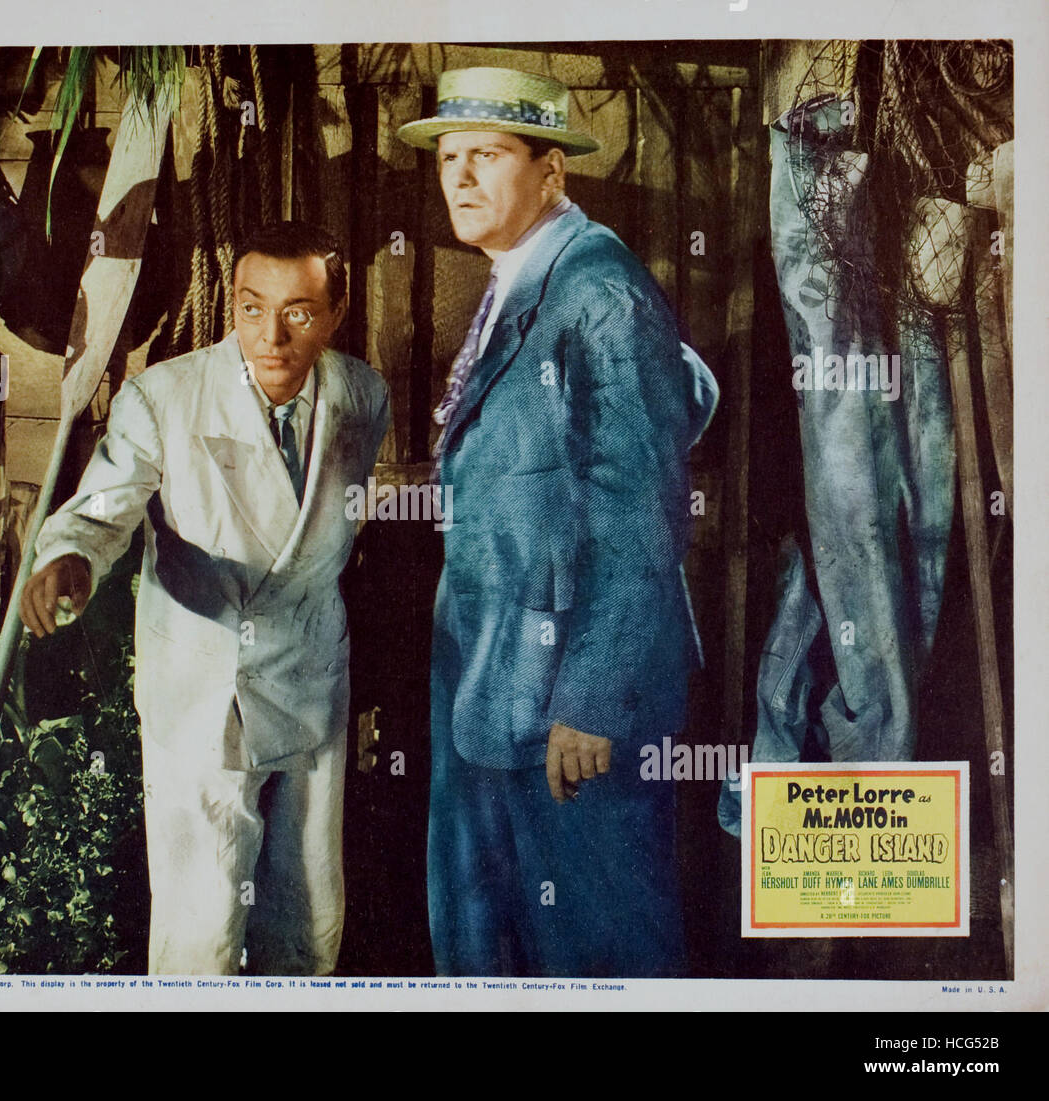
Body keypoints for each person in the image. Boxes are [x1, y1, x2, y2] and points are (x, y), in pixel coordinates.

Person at [396, 67, 718, 977]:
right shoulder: (518, 279)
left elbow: (641, 513)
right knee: (494, 948)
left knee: (599, 952)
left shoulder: (597, 290)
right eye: (450, 157)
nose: (459, 177)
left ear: (552, 173)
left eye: (487, 155)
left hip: (569, 711)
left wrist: (590, 702)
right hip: (496, 691)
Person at [20, 221, 391, 975]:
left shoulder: (361, 396)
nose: (272, 337)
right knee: (203, 929)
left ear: (337, 312)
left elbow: (326, 531)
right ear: (232, 301)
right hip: (204, 694)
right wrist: (69, 563)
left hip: (310, 680)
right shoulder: (164, 397)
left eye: (299, 313)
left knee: (309, 921)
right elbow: (101, 513)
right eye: (252, 309)